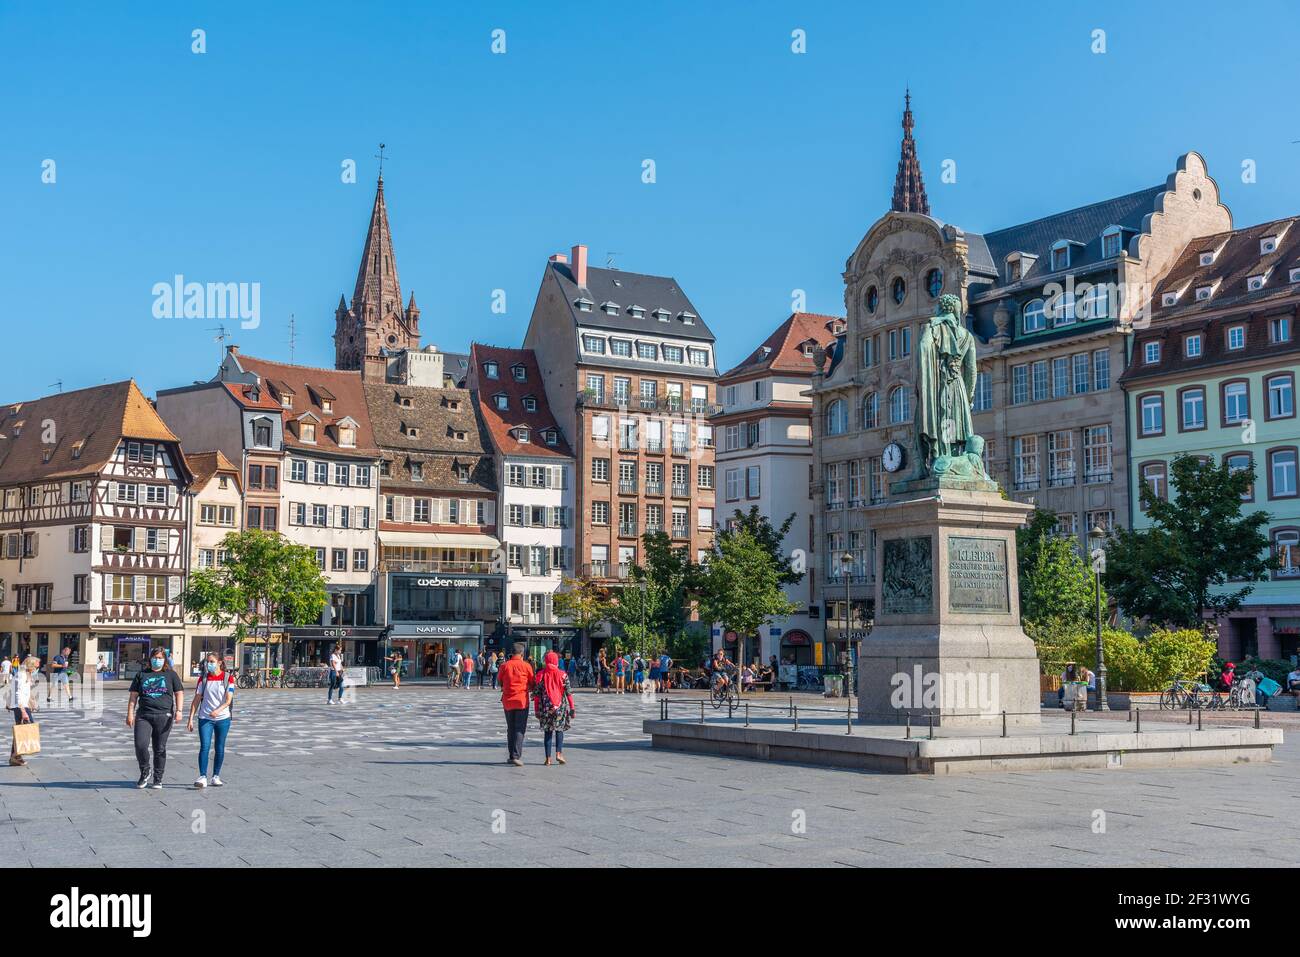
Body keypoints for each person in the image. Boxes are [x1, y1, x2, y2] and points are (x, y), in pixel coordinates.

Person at [126, 647, 184, 789]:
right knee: (140, 745)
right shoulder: (142, 674)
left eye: (160, 658)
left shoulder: (171, 675)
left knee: (159, 748)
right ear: (150, 658)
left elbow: (179, 693)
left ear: (164, 660)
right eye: (154, 657)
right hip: (144, 715)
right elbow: (133, 696)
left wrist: (179, 711)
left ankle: (158, 777)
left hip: (164, 716)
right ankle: (145, 771)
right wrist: (130, 713)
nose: (157, 660)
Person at [187, 652, 235, 788]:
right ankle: (202, 776)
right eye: (208, 662)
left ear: (219, 662)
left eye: (212, 661)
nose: (209, 664)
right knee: (204, 746)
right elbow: (197, 699)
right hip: (205, 718)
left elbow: (228, 700)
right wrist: (190, 718)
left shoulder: (228, 678)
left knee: (219, 747)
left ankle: (216, 776)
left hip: (223, 718)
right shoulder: (203, 679)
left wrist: (218, 711)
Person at [533, 651, 575, 766]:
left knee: (548, 732)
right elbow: (569, 693)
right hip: (559, 707)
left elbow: (537, 695)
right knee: (559, 730)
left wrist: (536, 709)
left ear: (546, 661)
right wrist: (572, 708)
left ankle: (548, 758)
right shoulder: (563, 675)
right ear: (556, 661)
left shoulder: (540, 675)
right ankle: (559, 753)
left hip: (546, 707)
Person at [498, 643, 535, 767]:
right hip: (521, 701)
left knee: (510, 727)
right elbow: (532, 681)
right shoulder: (526, 666)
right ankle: (516, 755)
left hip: (508, 701)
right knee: (520, 728)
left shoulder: (504, 665)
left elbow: (500, 680)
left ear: (511, 653)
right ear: (522, 653)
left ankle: (511, 755)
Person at [8, 656, 40, 767]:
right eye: (36, 667)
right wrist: (23, 711)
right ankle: (15, 756)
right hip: (20, 706)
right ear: (30, 665)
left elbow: (26, 692)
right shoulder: (21, 675)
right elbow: (18, 693)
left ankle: (15, 756)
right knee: (22, 730)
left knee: (21, 729)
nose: (36, 669)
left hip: (23, 705)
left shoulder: (26, 674)